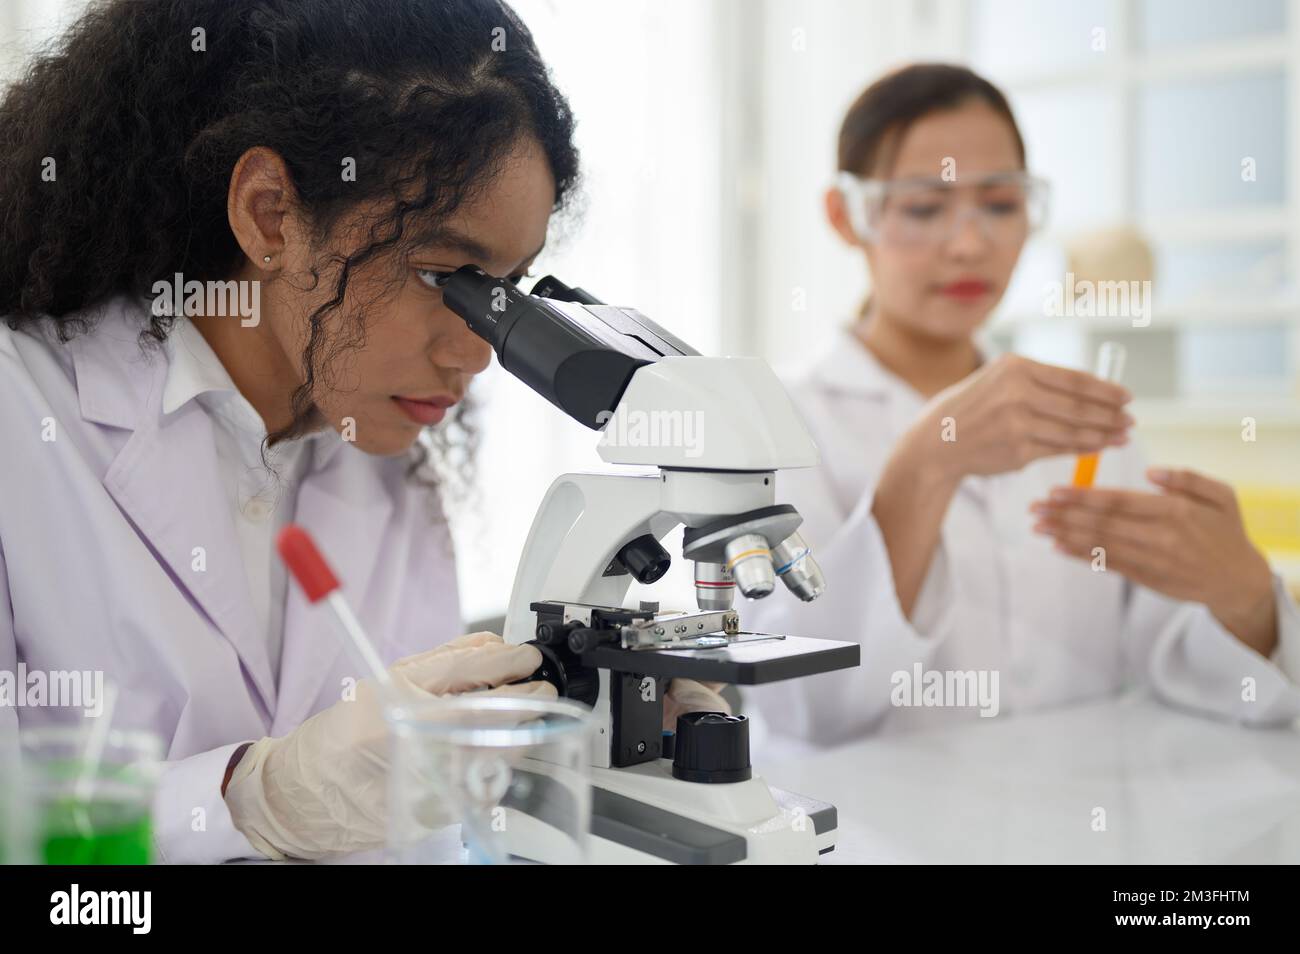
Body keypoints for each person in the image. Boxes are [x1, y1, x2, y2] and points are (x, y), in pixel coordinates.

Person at [0, 0, 722, 863]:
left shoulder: (390, 470)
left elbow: (407, 830)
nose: (476, 351)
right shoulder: (24, 418)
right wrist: (246, 799)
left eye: (506, 287)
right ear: (271, 214)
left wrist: (580, 740)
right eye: (445, 275)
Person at [746, 63, 1300, 750]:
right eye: (925, 206)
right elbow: (805, 708)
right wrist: (924, 467)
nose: (971, 243)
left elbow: (1183, 666)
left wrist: (1244, 598)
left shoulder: (1079, 421)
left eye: (1001, 204)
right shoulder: (778, 427)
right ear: (846, 215)